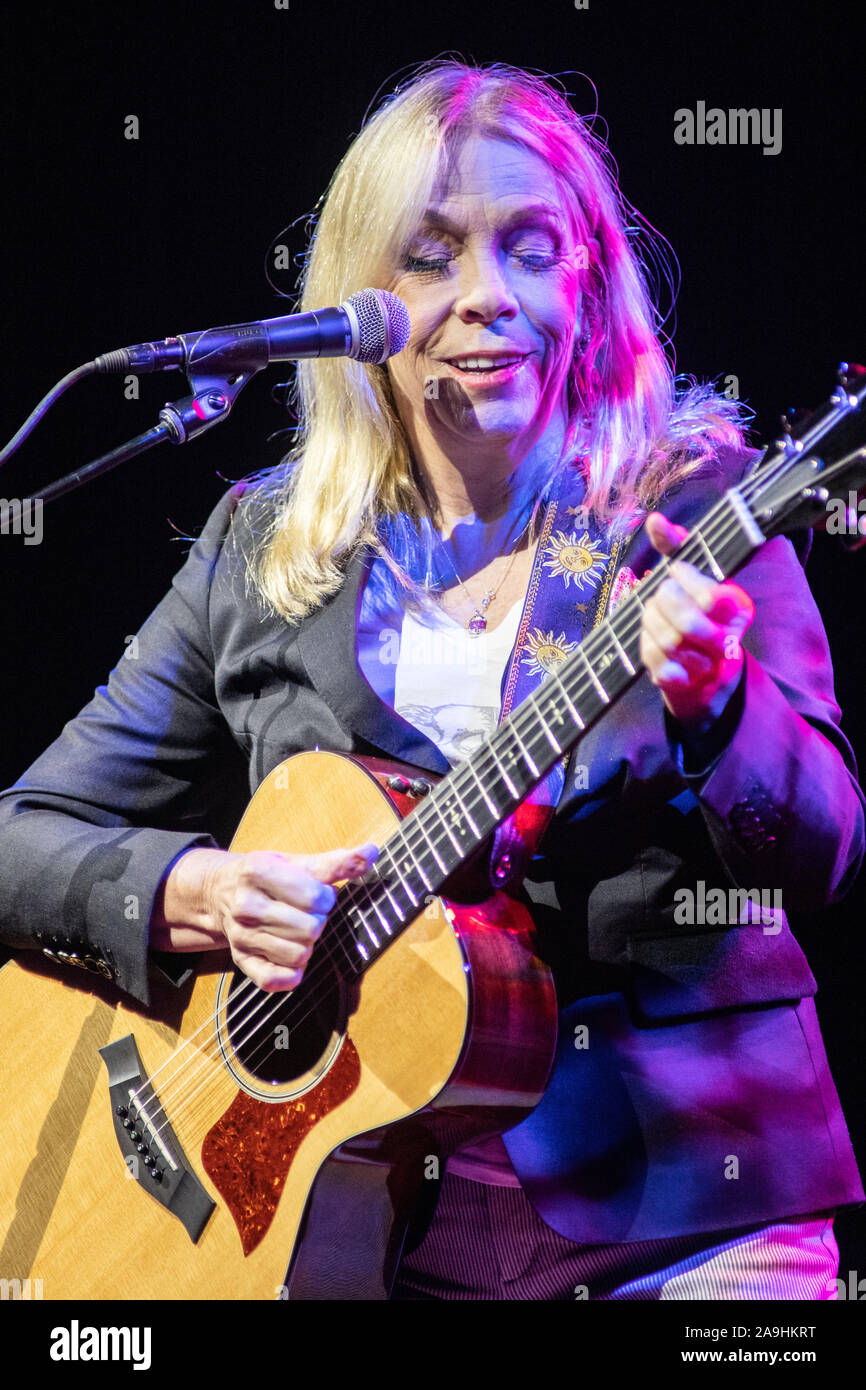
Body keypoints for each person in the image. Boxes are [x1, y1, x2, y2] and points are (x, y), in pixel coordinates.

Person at [0, 59, 863, 1301]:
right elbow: (26, 835)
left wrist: (713, 708)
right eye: (428, 256)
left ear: (589, 278)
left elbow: (826, 851)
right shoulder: (268, 550)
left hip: (689, 1203)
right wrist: (197, 890)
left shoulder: (688, 508)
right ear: (358, 299)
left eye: (529, 247)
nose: (485, 298)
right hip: (370, 1215)